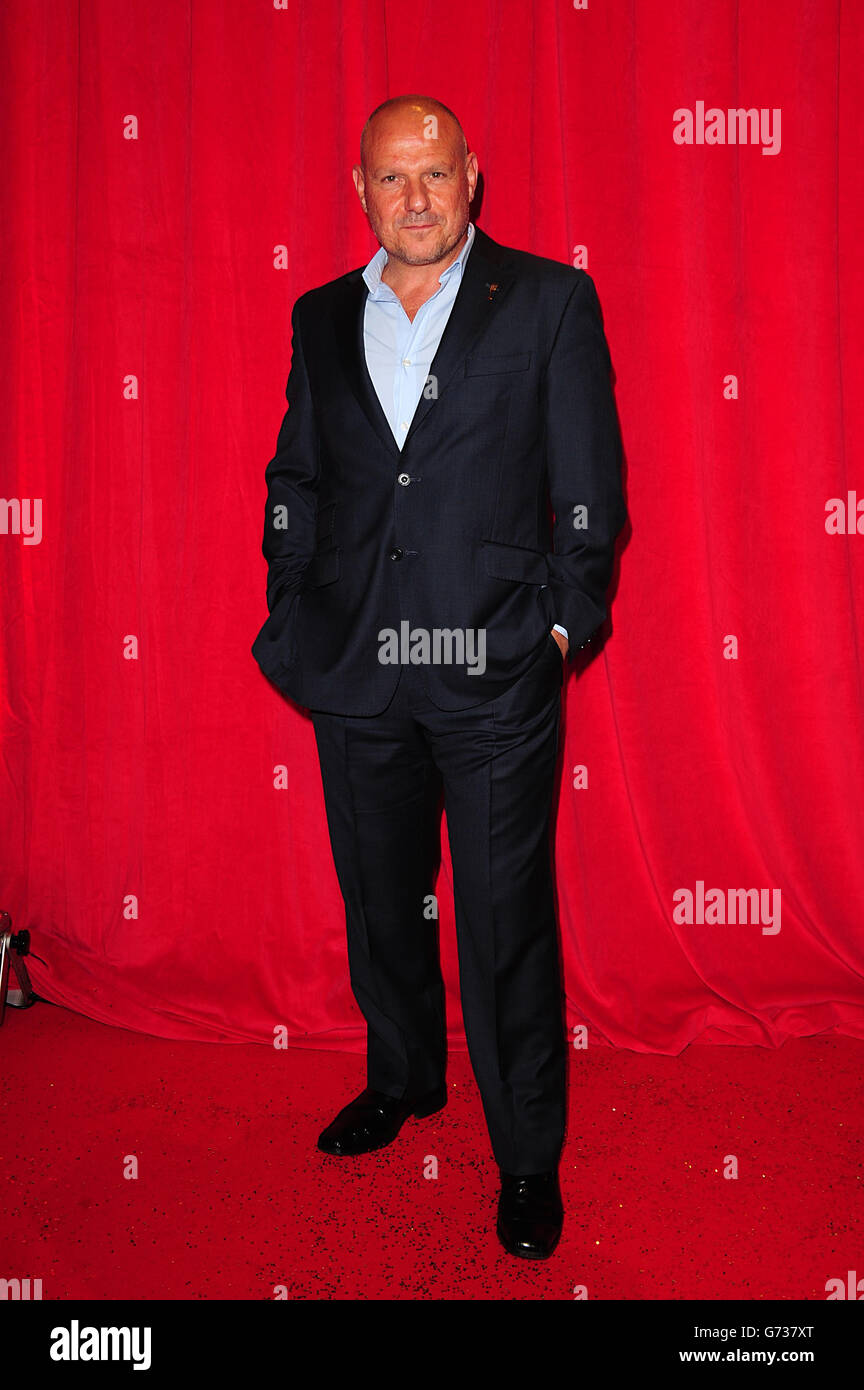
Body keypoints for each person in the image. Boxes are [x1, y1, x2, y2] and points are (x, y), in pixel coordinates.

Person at [252, 94, 626, 1258]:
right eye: (390, 179)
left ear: (474, 176)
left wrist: (560, 630)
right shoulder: (320, 316)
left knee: (505, 921)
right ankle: (405, 1077)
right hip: (359, 666)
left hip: (494, 666)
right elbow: (299, 476)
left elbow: (590, 490)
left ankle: (525, 1157)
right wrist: (293, 596)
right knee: (382, 903)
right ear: (359, 191)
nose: (414, 198)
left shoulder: (550, 304)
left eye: (434, 174)